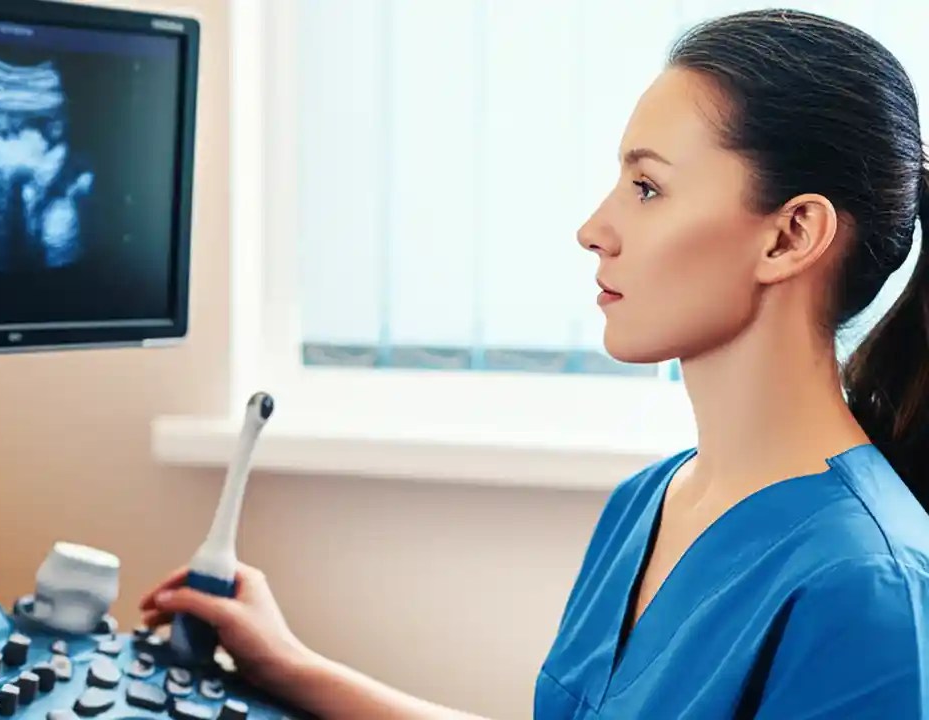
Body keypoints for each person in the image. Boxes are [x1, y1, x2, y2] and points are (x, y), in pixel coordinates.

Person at [139, 9, 929, 718]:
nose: (594, 229)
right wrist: (291, 667)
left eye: (648, 188)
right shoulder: (647, 502)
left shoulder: (866, 587)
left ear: (790, 235)